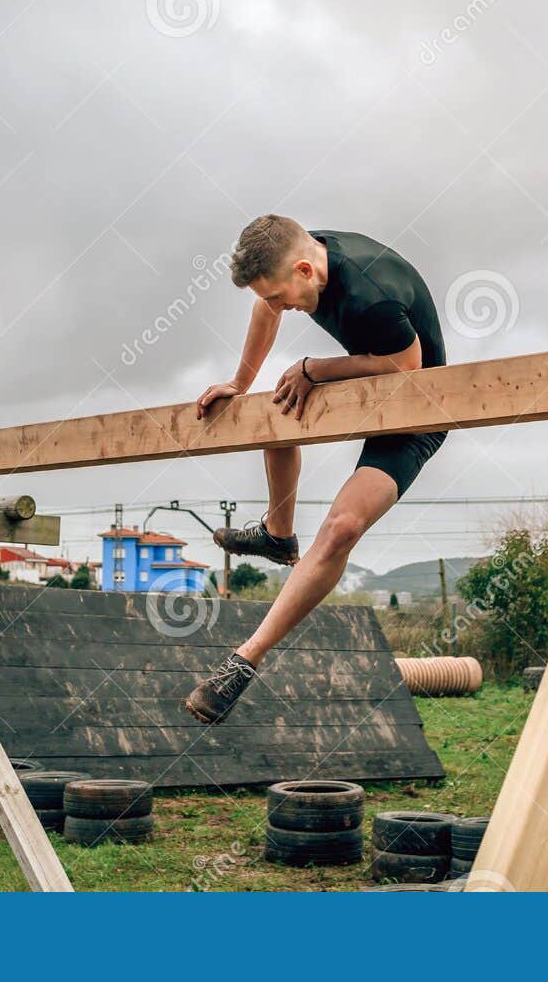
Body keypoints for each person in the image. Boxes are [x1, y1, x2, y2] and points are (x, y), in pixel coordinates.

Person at [183, 214, 448, 724]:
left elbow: (409, 366)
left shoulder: (372, 293)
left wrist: (316, 368)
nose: (280, 308)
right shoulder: (302, 263)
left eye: (283, 297)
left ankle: (242, 663)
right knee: (273, 403)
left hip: (418, 408)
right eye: (271, 299)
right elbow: (267, 307)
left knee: (342, 527)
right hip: (371, 383)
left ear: (305, 270)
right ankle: (278, 534)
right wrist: (240, 382)